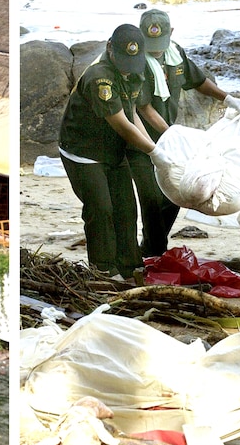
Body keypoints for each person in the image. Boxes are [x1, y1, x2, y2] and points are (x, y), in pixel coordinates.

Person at [128, 9, 240, 256]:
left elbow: (198, 81)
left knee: (175, 195)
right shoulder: (135, 63)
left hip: (170, 138)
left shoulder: (175, 54)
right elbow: (143, 107)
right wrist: (173, 136)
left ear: (171, 33)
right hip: (141, 139)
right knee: (152, 198)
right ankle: (153, 251)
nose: (156, 50)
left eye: (159, 44)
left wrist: (227, 98)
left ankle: (152, 248)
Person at [59, 24, 171, 278]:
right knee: (101, 209)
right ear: (110, 48)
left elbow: (132, 113)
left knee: (126, 208)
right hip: (83, 151)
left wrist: (157, 146)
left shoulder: (134, 72)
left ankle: (129, 265)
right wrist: (154, 152)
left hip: (113, 150)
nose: (127, 67)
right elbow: (121, 124)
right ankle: (103, 269)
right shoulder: (100, 78)